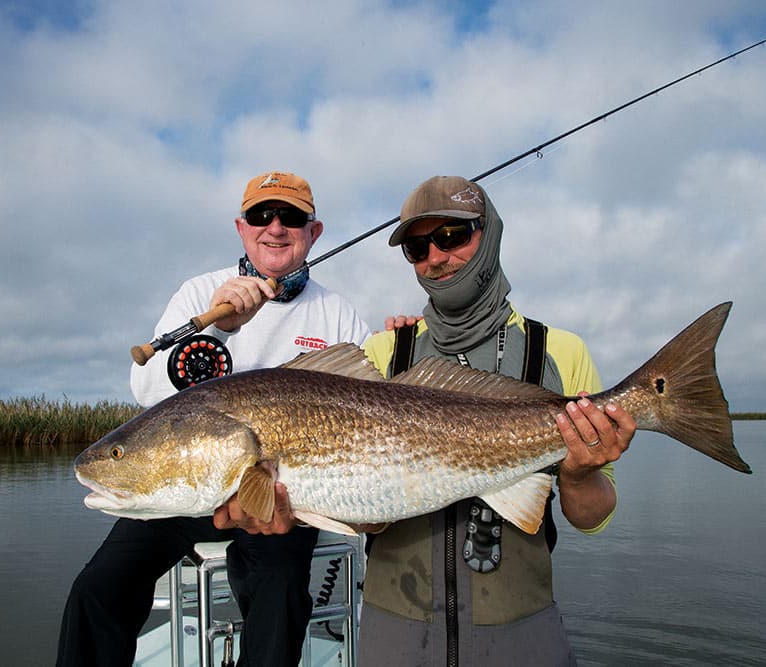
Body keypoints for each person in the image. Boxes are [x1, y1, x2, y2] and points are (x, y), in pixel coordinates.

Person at [57, 171, 371, 667]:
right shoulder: (199, 294)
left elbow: (368, 406)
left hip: (279, 496)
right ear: (241, 227)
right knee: (97, 589)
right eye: (260, 215)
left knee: (280, 590)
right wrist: (219, 329)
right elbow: (147, 389)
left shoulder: (337, 314)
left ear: (314, 233)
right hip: (184, 491)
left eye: (291, 217)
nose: (275, 227)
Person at [357, 175, 637, 665]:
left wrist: (581, 472)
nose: (436, 259)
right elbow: (364, 511)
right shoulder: (382, 354)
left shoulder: (560, 352)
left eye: (452, 237)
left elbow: (592, 517)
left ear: (491, 233)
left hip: (521, 627)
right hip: (393, 629)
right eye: (418, 248)